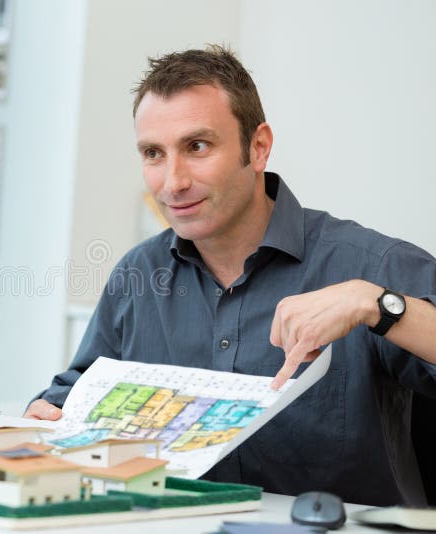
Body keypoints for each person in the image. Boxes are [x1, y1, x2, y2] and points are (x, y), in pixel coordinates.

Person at [26, 46, 436, 507]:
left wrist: (374, 304)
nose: (172, 182)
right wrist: (44, 420)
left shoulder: (369, 266)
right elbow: (71, 398)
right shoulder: (137, 276)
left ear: (257, 147)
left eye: (197, 147)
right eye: (153, 153)